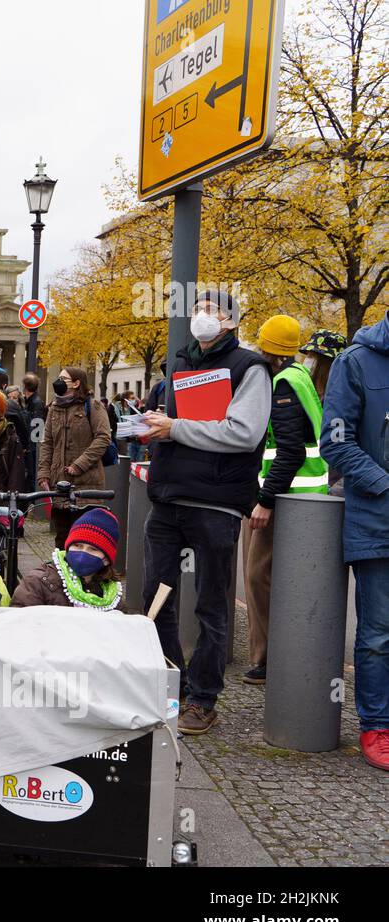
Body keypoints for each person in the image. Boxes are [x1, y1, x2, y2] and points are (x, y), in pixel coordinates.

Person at [141, 290, 271, 736]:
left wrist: (176, 427)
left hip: (215, 503)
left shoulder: (250, 368)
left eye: (212, 312)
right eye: (197, 310)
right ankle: (167, 684)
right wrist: (156, 428)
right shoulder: (179, 362)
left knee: (212, 605)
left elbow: (243, 432)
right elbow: (180, 423)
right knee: (156, 599)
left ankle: (202, 698)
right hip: (167, 496)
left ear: (232, 322)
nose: (202, 318)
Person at [241, 316, 331, 686]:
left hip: (287, 498)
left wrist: (265, 500)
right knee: (282, 579)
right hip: (304, 497)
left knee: (258, 576)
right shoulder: (299, 379)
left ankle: (268, 660)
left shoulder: (282, 385)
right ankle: (283, 657)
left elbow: (290, 450)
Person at [319, 314, 389, 770]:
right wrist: (384, 483)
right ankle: (378, 725)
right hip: (379, 522)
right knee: (379, 633)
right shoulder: (356, 361)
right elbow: (336, 441)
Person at [37, 366, 111, 549]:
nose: (59, 382)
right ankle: (62, 576)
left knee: (83, 539)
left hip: (86, 485)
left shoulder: (93, 406)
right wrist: (43, 472)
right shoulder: (54, 408)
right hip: (59, 486)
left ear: (77, 383)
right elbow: (47, 443)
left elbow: (103, 438)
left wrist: (79, 465)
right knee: (61, 540)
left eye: (64, 379)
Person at [12, 508, 124, 611]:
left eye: (93, 549)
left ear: (106, 560)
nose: (82, 553)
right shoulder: (38, 582)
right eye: (77, 545)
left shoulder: (112, 595)